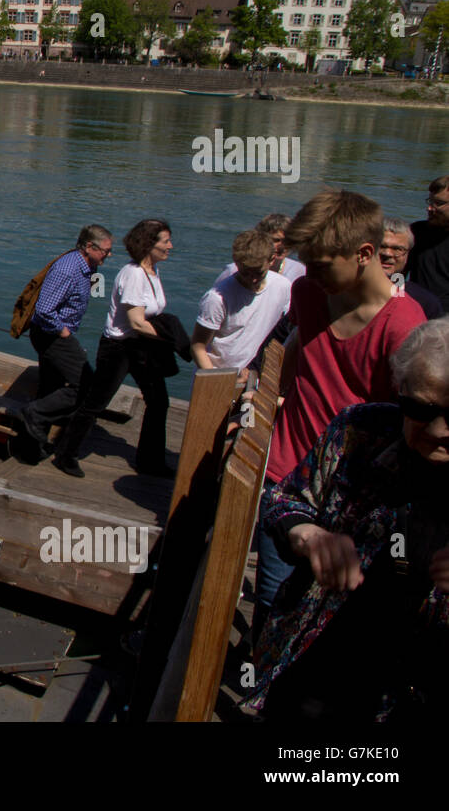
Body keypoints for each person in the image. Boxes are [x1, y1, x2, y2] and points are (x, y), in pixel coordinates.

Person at [244, 317, 449, 720]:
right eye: (422, 410)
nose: (441, 430)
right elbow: (286, 499)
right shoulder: (360, 429)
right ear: (400, 390)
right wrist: (306, 533)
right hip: (323, 656)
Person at [252, 190, 428, 640]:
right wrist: (271, 397)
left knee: (330, 612)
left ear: (365, 253)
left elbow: (410, 429)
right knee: (272, 599)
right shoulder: (309, 291)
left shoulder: (403, 326)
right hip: (287, 474)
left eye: (322, 263)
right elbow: (298, 346)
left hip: (352, 493)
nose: (309, 274)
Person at [52, 219, 176, 479]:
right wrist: (174, 338)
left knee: (159, 401)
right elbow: (136, 322)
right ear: (148, 244)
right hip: (119, 348)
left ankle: (150, 461)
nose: (170, 246)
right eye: (165, 241)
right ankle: (65, 454)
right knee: (95, 403)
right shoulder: (133, 275)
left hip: (142, 347)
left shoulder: (152, 271)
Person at [10, 225, 113, 464]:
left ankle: (30, 451)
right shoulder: (68, 269)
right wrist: (64, 332)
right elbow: (44, 309)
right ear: (89, 247)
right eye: (106, 251)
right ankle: (33, 414)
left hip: (54, 333)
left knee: (50, 387)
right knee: (85, 385)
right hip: (51, 334)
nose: (109, 255)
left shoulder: (87, 266)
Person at [191, 230, 292, 377]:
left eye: (258, 272)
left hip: (257, 375)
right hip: (218, 376)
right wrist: (215, 379)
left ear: (272, 260)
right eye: (245, 272)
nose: (252, 279)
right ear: (235, 261)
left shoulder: (284, 286)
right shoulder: (217, 298)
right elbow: (197, 346)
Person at [379, 216, 443, 320]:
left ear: (408, 254)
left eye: (397, 249)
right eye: (381, 246)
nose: (387, 253)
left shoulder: (425, 303)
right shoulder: (347, 290)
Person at [215, 213, 307, 285]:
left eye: (287, 240)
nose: (282, 246)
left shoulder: (300, 271)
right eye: (276, 240)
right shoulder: (234, 270)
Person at [408, 175, 449, 313]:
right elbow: (397, 272)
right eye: (430, 201)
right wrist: (397, 297)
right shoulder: (416, 232)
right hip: (413, 311)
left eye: (439, 203)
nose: (430, 208)